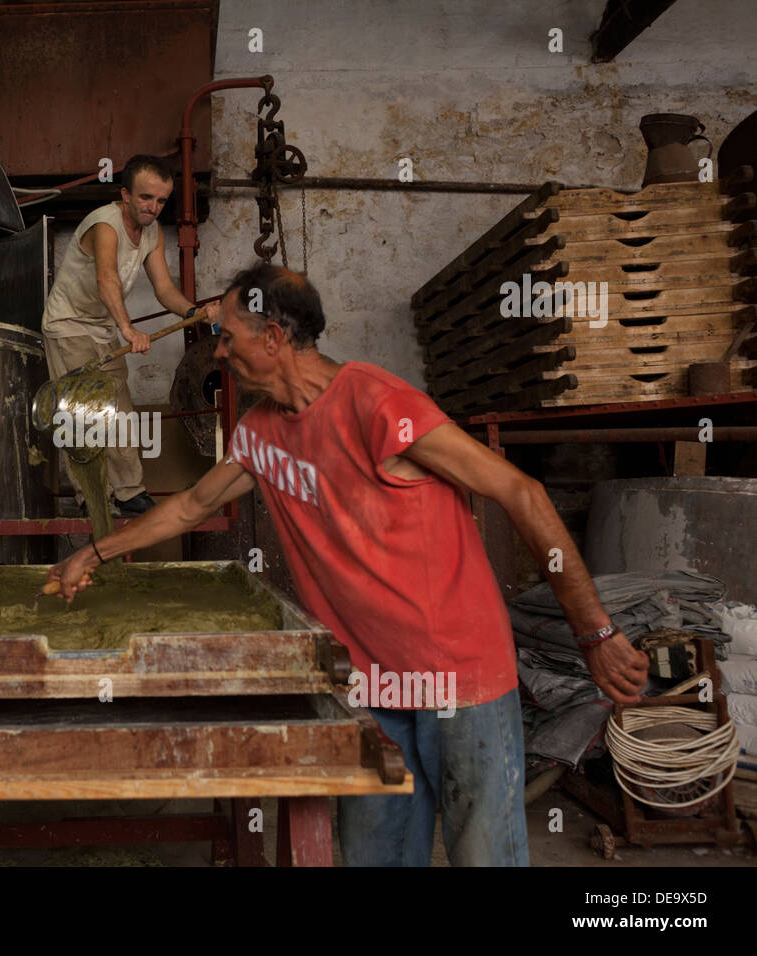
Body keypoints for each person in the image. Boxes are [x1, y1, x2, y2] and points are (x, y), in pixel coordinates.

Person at [46, 263, 650, 866]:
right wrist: (93, 552)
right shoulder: (258, 432)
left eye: (229, 336)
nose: (221, 352)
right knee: (374, 854)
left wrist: (594, 632)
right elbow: (191, 506)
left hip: (458, 679)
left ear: (274, 339)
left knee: (484, 855)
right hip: (370, 685)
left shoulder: (379, 404)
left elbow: (522, 493)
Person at [41, 154, 212, 516]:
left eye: (162, 200)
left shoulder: (150, 235)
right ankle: (94, 497)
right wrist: (128, 329)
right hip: (68, 325)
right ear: (125, 195)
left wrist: (194, 313)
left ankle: (130, 492)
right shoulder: (105, 224)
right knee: (83, 411)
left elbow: (165, 289)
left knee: (119, 409)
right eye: (146, 198)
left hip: (101, 328)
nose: (153, 207)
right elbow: (107, 278)